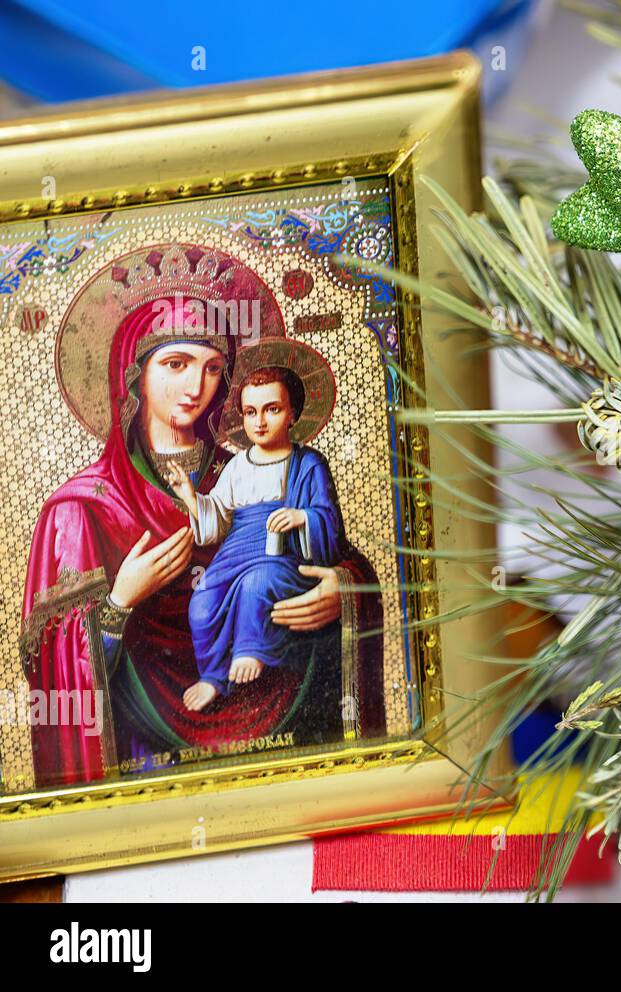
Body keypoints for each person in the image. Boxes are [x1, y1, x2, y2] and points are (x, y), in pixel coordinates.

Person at [21, 248, 384, 786]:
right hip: (144, 754)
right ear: (134, 376)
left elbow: (341, 561)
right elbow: (51, 665)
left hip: (282, 741)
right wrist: (120, 602)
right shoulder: (82, 507)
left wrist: (343, 595)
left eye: (213, 368)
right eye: (176, 364)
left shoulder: (250, 465)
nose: (196, 387)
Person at [166, 365, 346, 712]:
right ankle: (213, 676)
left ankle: (251, 650)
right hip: (236, 550)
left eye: (272, 410)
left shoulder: (308, 464)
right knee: (201, 603)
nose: (259, 422)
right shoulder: (237, 466)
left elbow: (327, 520)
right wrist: (191, 498)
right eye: (250, 412)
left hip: (280, 552)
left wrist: (301, 517)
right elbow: (217, 514)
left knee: (258, 584)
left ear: (292, 414)